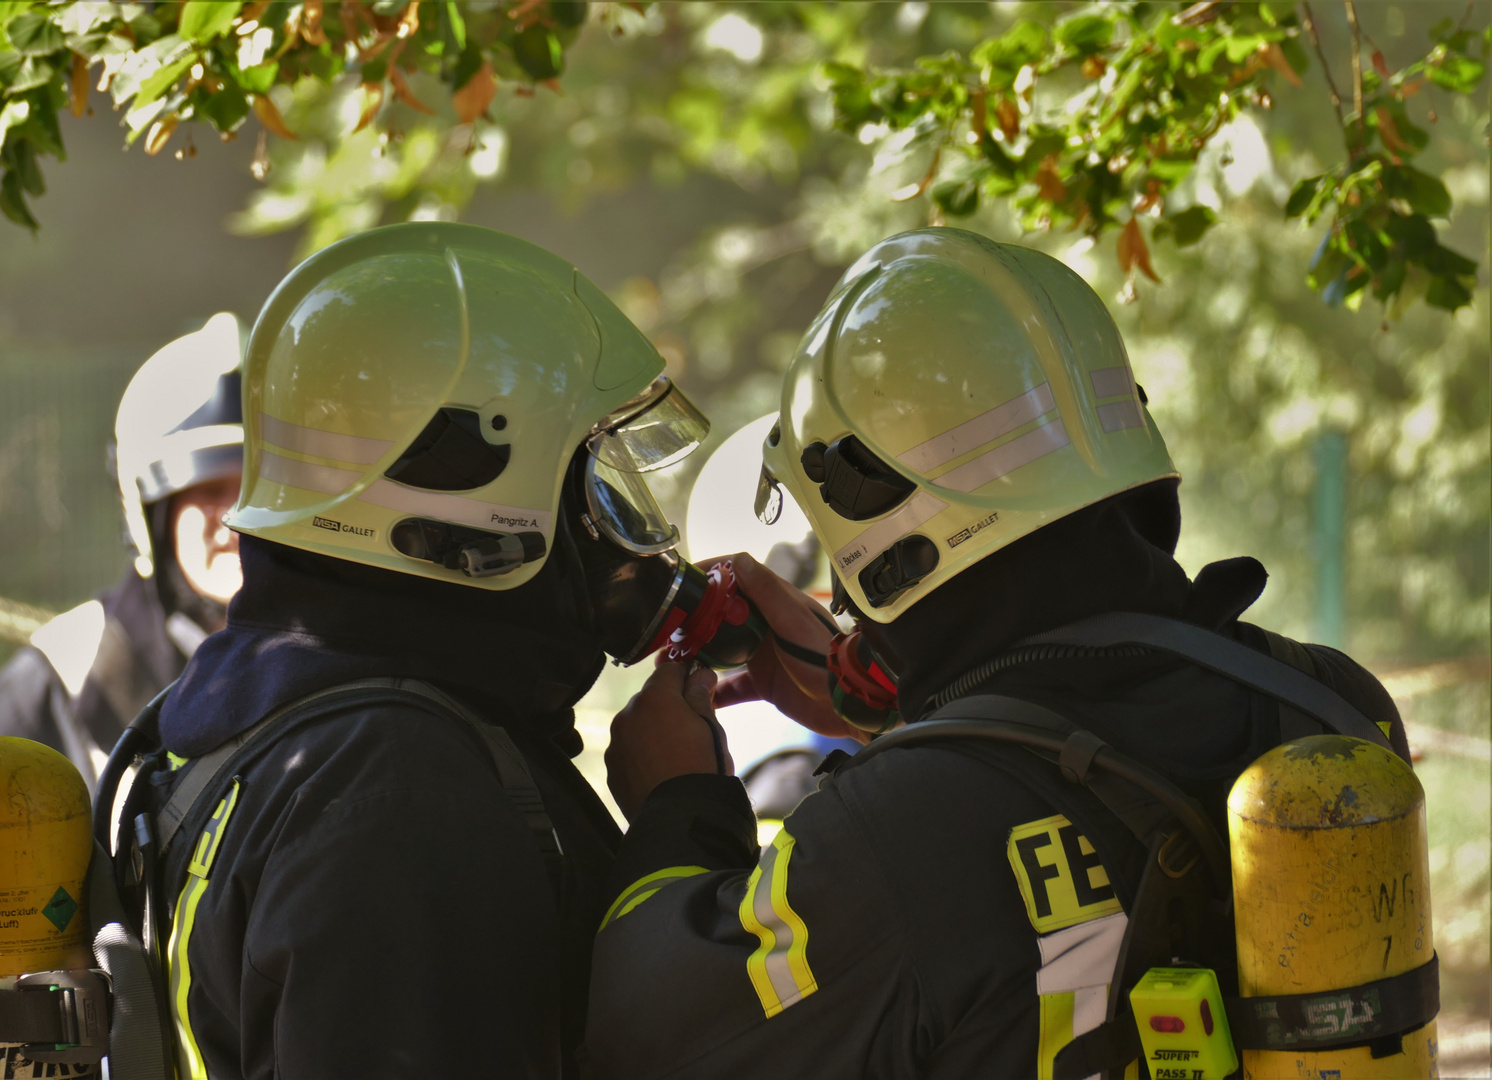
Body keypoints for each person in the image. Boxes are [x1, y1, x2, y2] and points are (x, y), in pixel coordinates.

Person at [583, 228, 1410, 1079]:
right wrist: (889, 712)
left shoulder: (898, 833)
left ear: (876, 515)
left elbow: (650, 1038)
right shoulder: (1330, 703)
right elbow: (1087, 752)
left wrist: (677, 805)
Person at [138, 222, 725, 1079]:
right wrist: (685, 820)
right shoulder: (398, 799)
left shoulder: (269, 720)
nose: (619, 532)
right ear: (473, 501)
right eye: (587, 483)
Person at [0, 314, 245, 919]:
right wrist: (38, 934)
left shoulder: (346, 653)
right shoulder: (80, 664)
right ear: (148, 509)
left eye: (257, 485)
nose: (234, 516)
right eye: (207, 487)